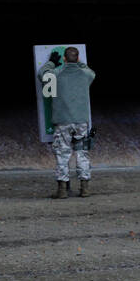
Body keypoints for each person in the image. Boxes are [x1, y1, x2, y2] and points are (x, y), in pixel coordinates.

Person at [38, 47, 96, 198]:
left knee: (62, 154)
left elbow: (42, 74)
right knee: (82, 153)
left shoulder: (56, 74)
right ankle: (84, 188)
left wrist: (51, 62)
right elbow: (88, 70)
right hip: (81, 122)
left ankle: (62, 190)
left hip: (63, 122)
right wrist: (78, 62)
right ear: (77, 58)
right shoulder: (86, 74)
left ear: (63, 59)